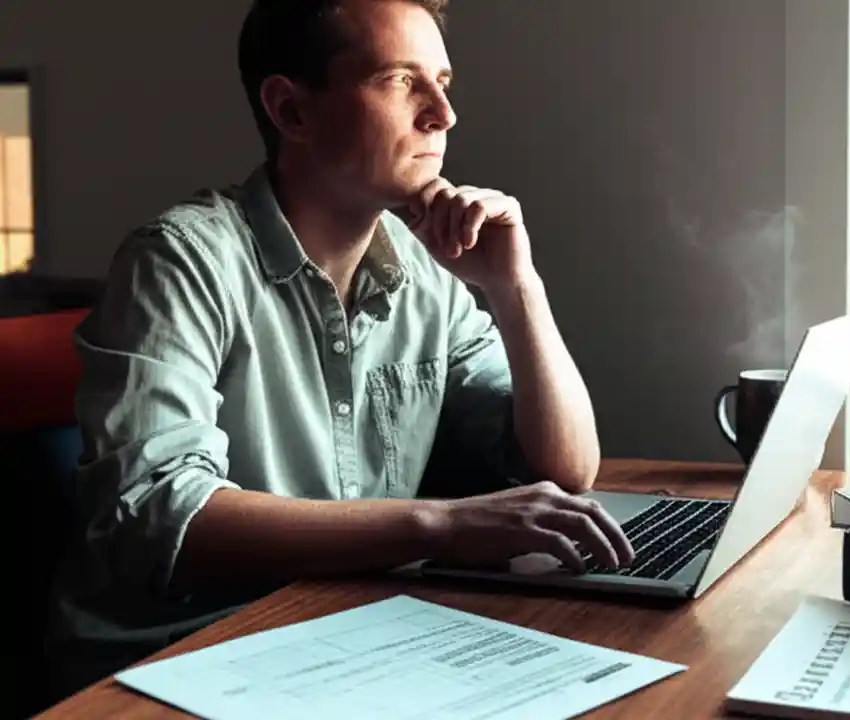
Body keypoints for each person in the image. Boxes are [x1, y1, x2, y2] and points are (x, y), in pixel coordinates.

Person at [47, 0, 634, 694]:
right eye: (399, 80)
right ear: (291, 111)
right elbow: (161, 515)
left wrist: (517, 288)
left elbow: (566, 468)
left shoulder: (423, 275)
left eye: (443, 82)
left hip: (346, 635)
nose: (442, 115)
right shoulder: (180, 261)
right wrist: (438, 526)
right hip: (172, 658)